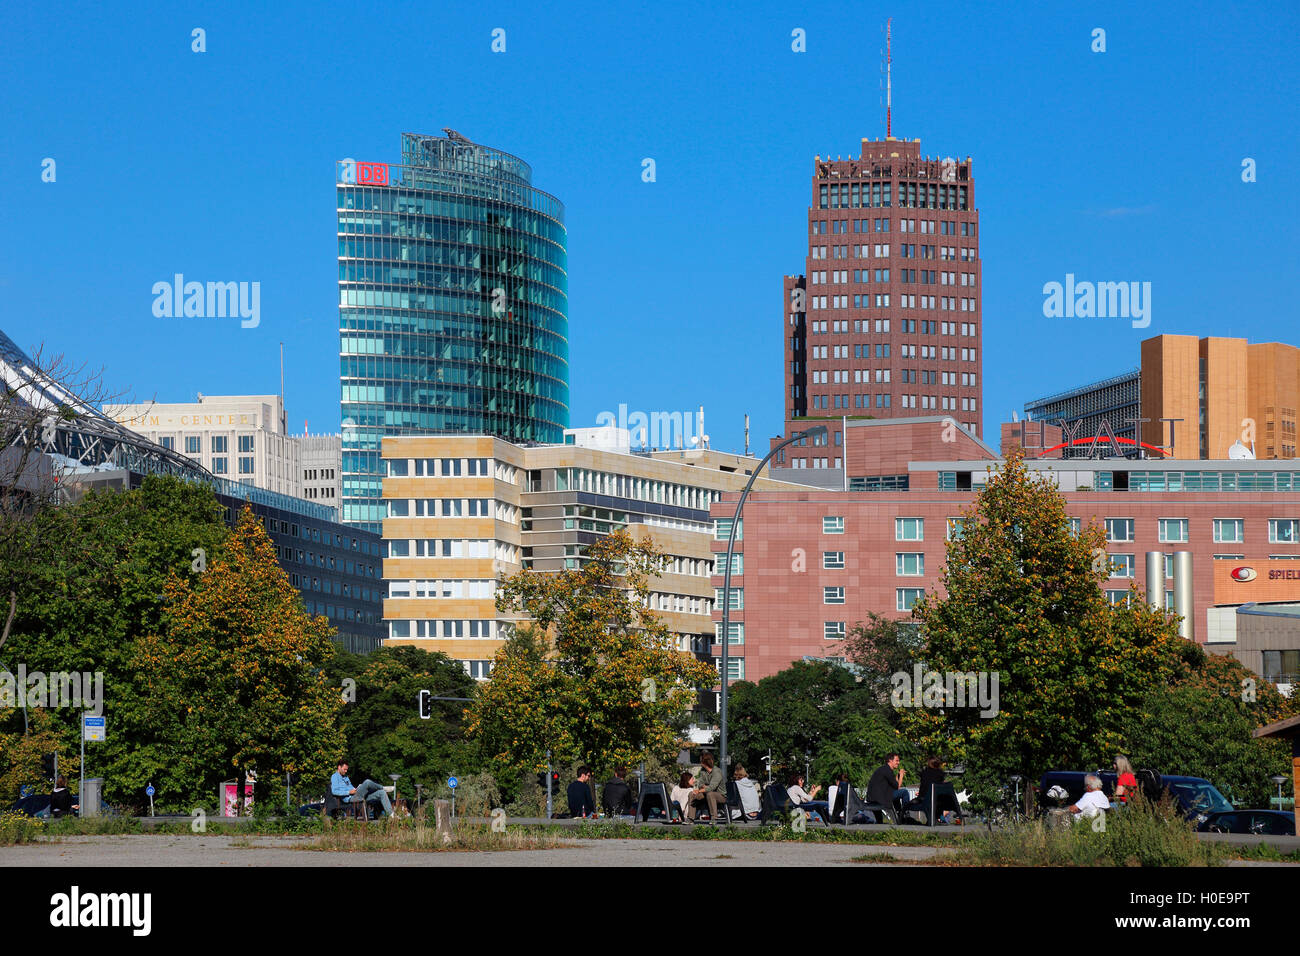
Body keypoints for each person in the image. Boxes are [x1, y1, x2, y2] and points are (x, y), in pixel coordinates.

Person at [866, 752, 909, 823]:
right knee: (904, 792)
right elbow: (898, 786)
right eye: (897, 760)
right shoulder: (888, 770)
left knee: (896, 795)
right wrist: (901, 775)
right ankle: (905, 813)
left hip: (873, 797)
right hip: (880, 798)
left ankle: (899, 815)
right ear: (890, 760)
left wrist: (897, 776)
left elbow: (894, 785)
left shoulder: (883, 769)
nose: (898, 762)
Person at [692, 752, 726, 822]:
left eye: (701, 760)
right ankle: (690, 818)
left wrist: (700, 790)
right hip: (706, 793)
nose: (700, 762)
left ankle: (714, 818)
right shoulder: (702, 771)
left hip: (720, 795)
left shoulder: (717, 772)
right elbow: (700, 784)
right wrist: (704, 788)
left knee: (710, 794)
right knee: (692, 794)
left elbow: (712, 788)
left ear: (705, 762)